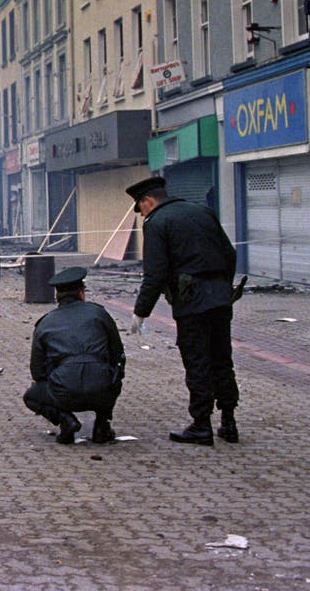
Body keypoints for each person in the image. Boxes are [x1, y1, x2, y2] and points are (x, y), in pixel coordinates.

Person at [126, 176, 239, 446]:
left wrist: (141, 312)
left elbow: (155, 274)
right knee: (222, 359)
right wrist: (223, 286)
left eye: (140, 209)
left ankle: (201, 425)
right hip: (221, 300)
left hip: (192, 303)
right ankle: (229, 422)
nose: (142, 214)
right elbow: (230, 254)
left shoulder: (156, 223)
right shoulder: (203, 212)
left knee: (197, 361)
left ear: (148, 201)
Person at [23, 266, 125, 445]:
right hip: (102, 389)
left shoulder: (45, 323)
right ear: (81, 293)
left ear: (57, 297)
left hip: (64, 391)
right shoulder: (99, 314)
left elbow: (37, 372)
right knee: (114, 375)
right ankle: (102, 425)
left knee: (31, 396)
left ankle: (66, 420)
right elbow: (117, 354)